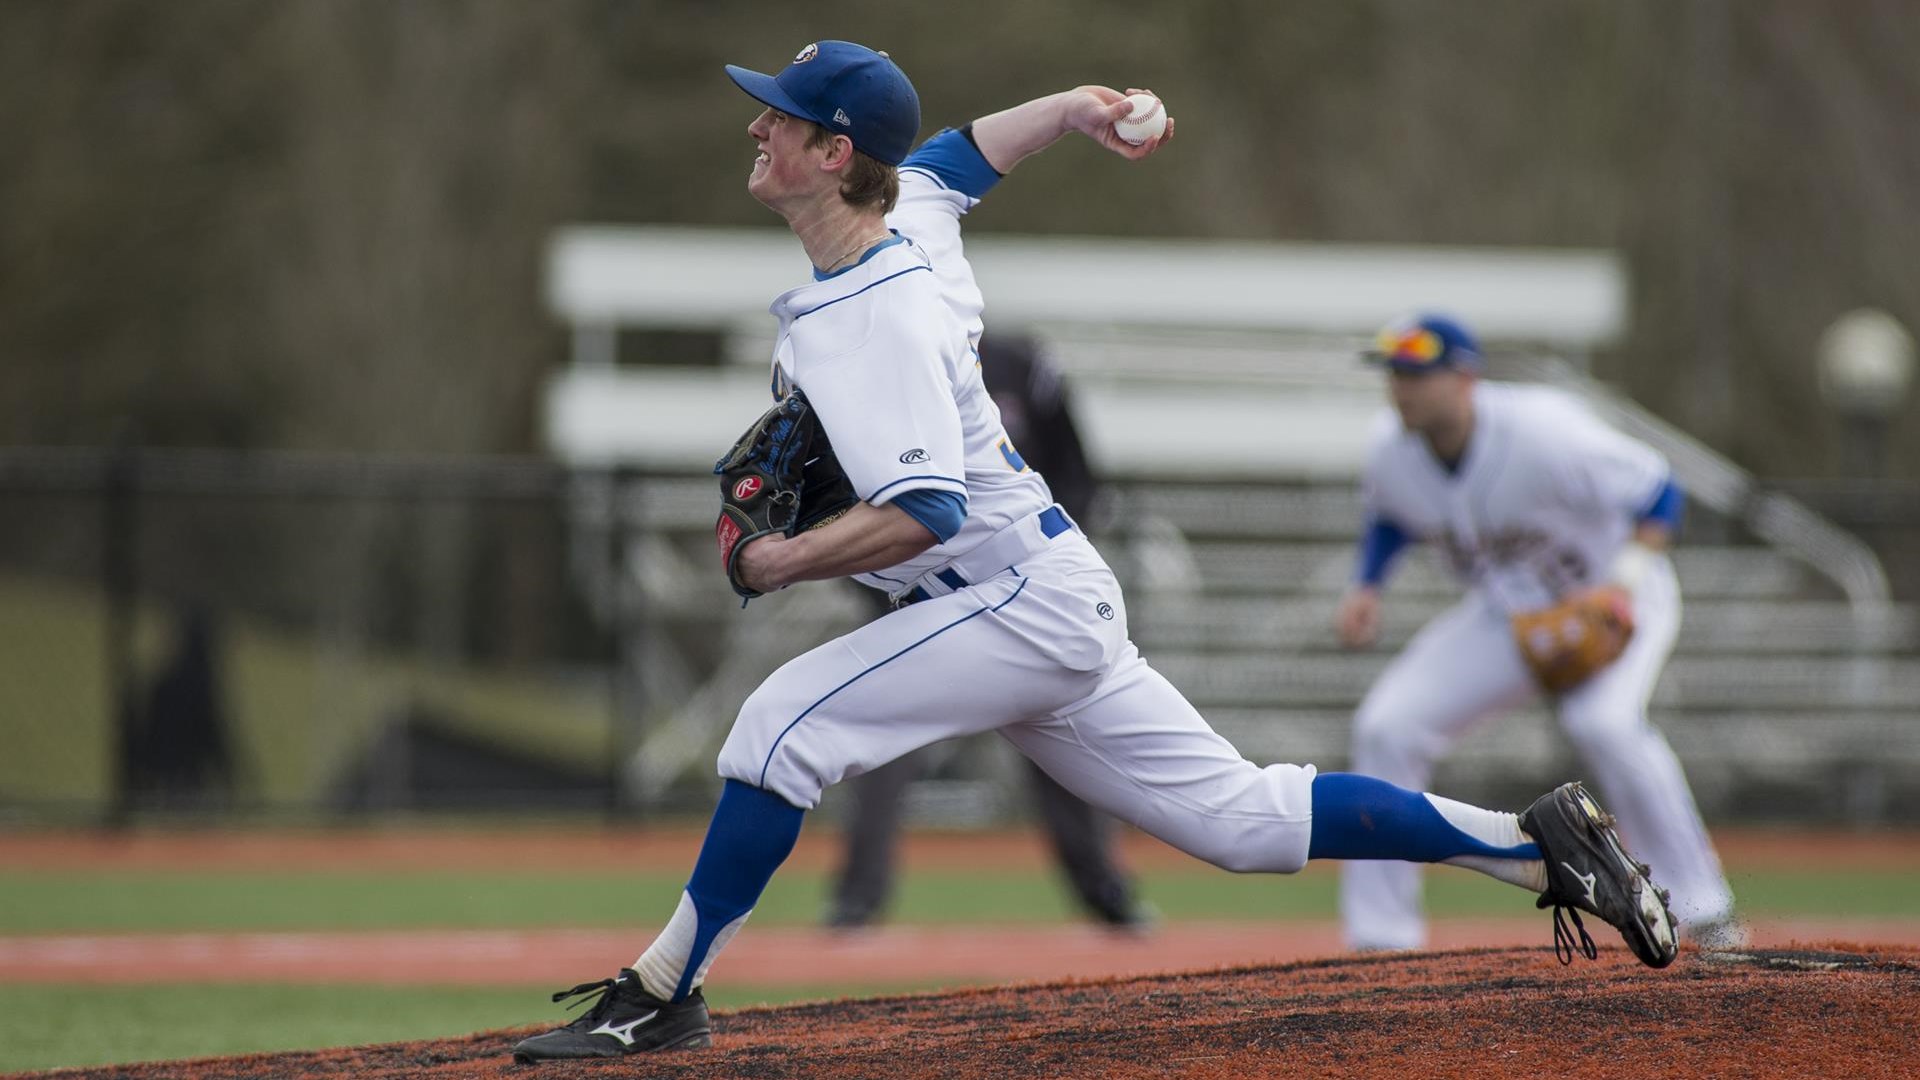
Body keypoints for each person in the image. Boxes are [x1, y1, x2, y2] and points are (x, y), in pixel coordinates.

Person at [511, 42, 1679, 1063]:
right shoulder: (899, 208)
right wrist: (1076, 106)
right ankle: (1536, 850)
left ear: (832, 153)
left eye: (780, 115)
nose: (756, 126)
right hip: (1042, 595)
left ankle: (661, 994)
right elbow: (965, 157)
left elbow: (927, 513)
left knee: (777, 728)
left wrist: (778, 563)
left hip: (1008, 596)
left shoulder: (886, 315)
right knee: (1242, 822)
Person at [1333, 313, 1741, 953]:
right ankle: (1380, 940)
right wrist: (1367, 587)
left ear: (1465, 378)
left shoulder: (1545, 430)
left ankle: (1707, 912)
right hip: (1510, 616)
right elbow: (1391, 516)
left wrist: (1623, 582)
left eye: (1416, 371)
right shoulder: (1392, 449)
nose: (1400, 386)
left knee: (1603, 724)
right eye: (1393, 372)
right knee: (1388, 726)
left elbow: (1660, 490)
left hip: (1611, 599)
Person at [825, 333, 1152, 933]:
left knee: (1063, 740)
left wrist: (1055, 560)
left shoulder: (1020, 366)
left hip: (1020, 593)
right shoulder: (883, 367)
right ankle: (856, 897)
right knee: (877, 740)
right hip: (914, 595)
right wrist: (878, 580)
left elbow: (1078, 475)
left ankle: (1105, 889)